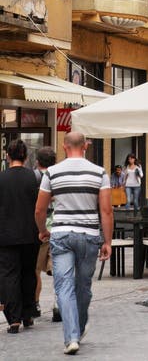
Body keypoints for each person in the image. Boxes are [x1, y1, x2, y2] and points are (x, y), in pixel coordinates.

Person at [35, 131, 112, 355]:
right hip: (89, 235)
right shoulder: (100, 172)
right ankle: (78, 327)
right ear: (86, 146)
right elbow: (106, 210)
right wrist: (107, 241)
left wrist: (42, 230)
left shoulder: (52, 172)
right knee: (83, 285)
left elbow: (40, 209)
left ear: (64, 146)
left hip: (61, 235)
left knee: (64, 287)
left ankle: (72, 337)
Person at [0, 139, 39, 335]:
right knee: (28, 273)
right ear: (25, 156)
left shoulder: (1, 178)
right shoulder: (34, 178)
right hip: (30, 233)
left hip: (6, 235)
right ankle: (28, 314)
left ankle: (13, 319)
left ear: (8, 156)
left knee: (9, 276)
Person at [34, 146, 58, 321]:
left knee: (35, 269)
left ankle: (35, 303)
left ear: (37, 161)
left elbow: (37, 207)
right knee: (60, 268)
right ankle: (59, 304)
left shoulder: (33, 176)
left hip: (41, 228)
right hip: (59, 227)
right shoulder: (59, 175)